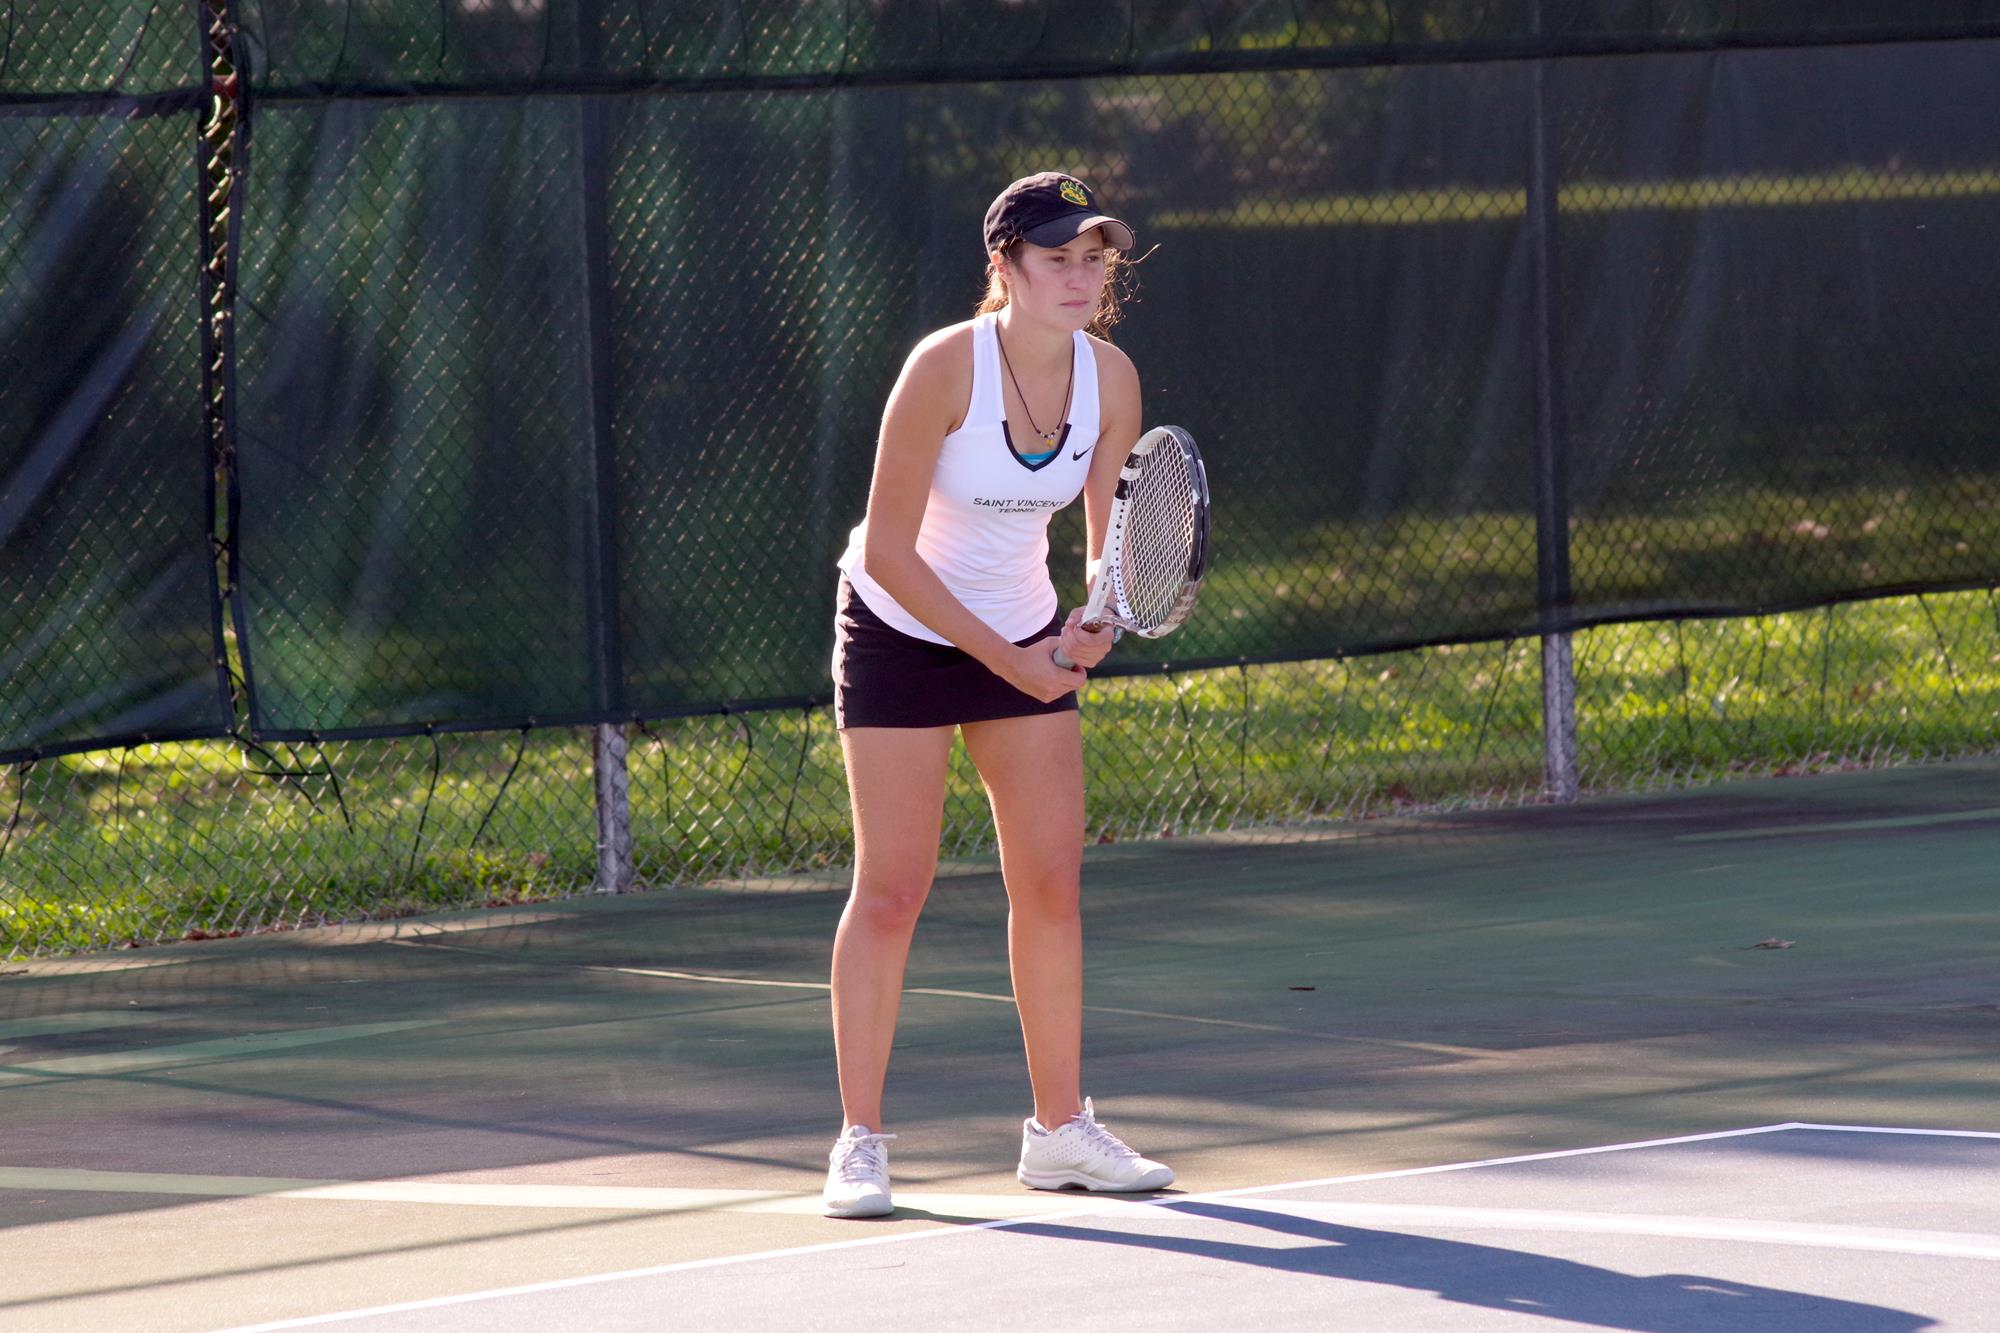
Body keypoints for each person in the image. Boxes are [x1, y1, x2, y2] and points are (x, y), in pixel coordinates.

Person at [820, 172, 1174, 1219]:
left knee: (1050, 886)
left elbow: (1108, 544)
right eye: (1056, 256)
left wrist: (1093, 620)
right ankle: (859, 1140)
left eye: (1093, 257)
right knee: (892, 885)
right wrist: (1009, 663)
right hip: (896, 627)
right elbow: (887, 548)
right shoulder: (942, 369)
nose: (1080, 275)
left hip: (1023, 625)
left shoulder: (1110, 379)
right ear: (1004, 266)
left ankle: (1060, 1131)